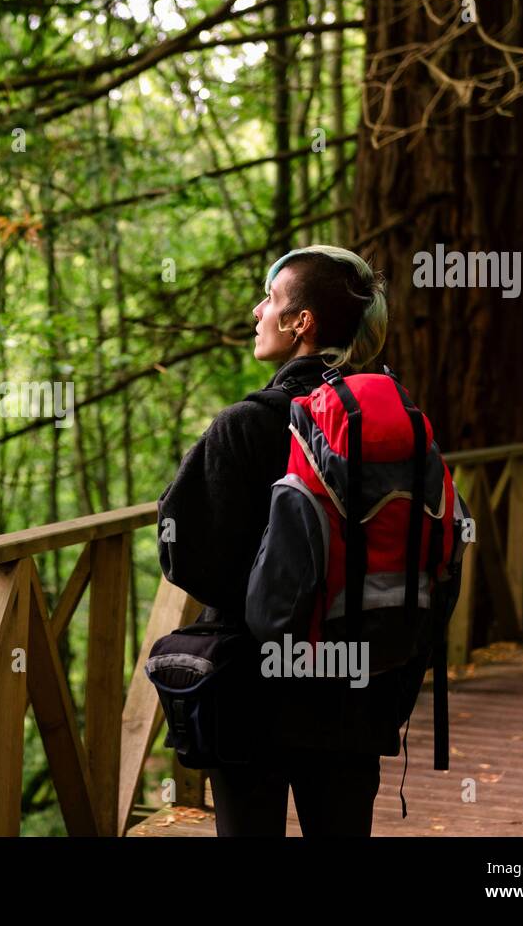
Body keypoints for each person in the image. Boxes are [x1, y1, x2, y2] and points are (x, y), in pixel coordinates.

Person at [157, 245, 428, 836]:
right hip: (359, 686)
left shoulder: (246, 423)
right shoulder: (394, 423)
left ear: (300, 322)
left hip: (253, 690)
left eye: (271, 299)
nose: (257, 311)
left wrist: (268, 601)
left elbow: (183, 553)